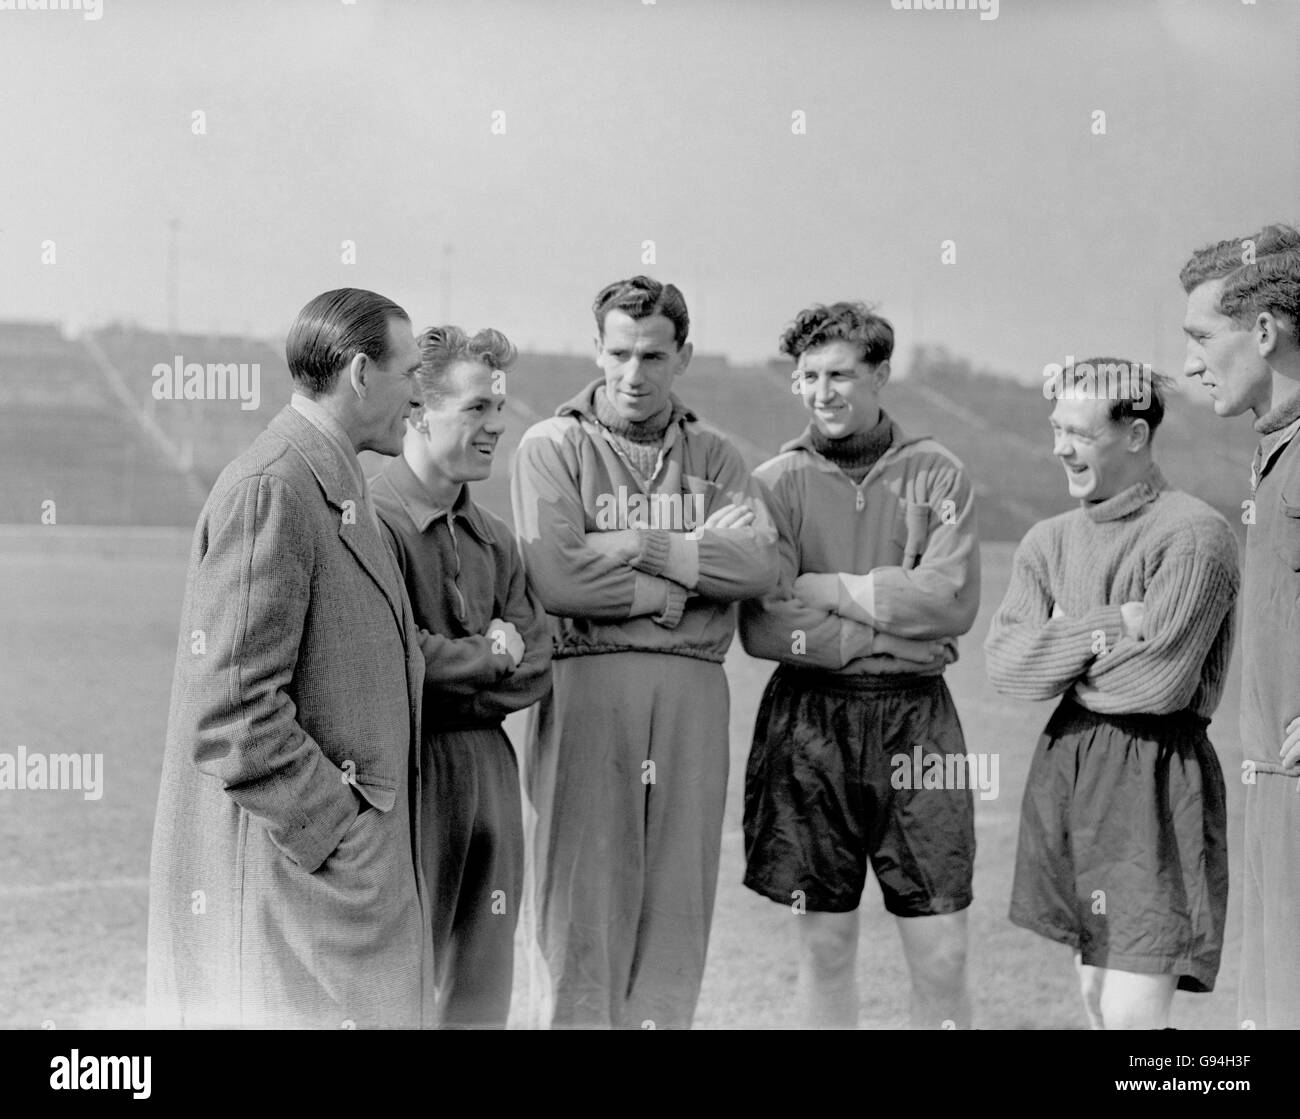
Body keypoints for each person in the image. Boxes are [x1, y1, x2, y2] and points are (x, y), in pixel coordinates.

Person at [147, 288, 432, 1028]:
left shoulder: (332, 482)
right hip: (301, 892)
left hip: (329, 896)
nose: (421, 395)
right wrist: (342, 832)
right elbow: (233, 710)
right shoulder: (275, 487)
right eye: (411, 374)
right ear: (362, 374)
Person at [510, 274, 779, 1029]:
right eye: (620, 352)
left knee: (675, 904)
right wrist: (674, 584)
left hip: (694, 689)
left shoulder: (718, 457)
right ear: (596, 349)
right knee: (581, 901)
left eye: (653, 356)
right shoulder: (551, 444)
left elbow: (758, 565)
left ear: (682, 356)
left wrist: (637, 542)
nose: (635, 374)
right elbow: (558, 574)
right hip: (589, 681)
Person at [738, 301, 980, 1029]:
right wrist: (881, 631)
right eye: (808, 375)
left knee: (942, 949)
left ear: (880, 373)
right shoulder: (774, 482)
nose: (822, 391)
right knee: (828, 945)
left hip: (919, 719)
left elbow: (950, 602)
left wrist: (836, 590)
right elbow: (765, 620)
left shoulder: (939, 473)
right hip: (809, 718)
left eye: (840, 373)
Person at [985, 361, 1238, 1029]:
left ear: (1133, 434)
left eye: (1079, 432)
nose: (1060, 448)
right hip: (1070, 769)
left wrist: (1061, 644)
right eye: (1056, 429)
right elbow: (1007, 667)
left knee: (1133, 1012)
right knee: (1097, 999)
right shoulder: (1048, 540)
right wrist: (1109, 624)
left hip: (1154, 775)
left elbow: (1157, 684)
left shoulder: (1194, 534)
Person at [373, 325, 552, 1029]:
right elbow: (393, 662)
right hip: (410, 766)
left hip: (490, 768)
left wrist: (479, 663)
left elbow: (537, 662)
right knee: (402, 981)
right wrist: (489, 654)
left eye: (499, 408)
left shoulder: (497, 537)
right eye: (478, 407)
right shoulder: (369, 521)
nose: (497, 424)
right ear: (418, 406)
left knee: (484, 982)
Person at [1180, 225, 1300, 1028]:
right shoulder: (1275, 447)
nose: (1189, 362)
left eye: (1200, 337)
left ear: (1263, 332)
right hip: (1274, 787)